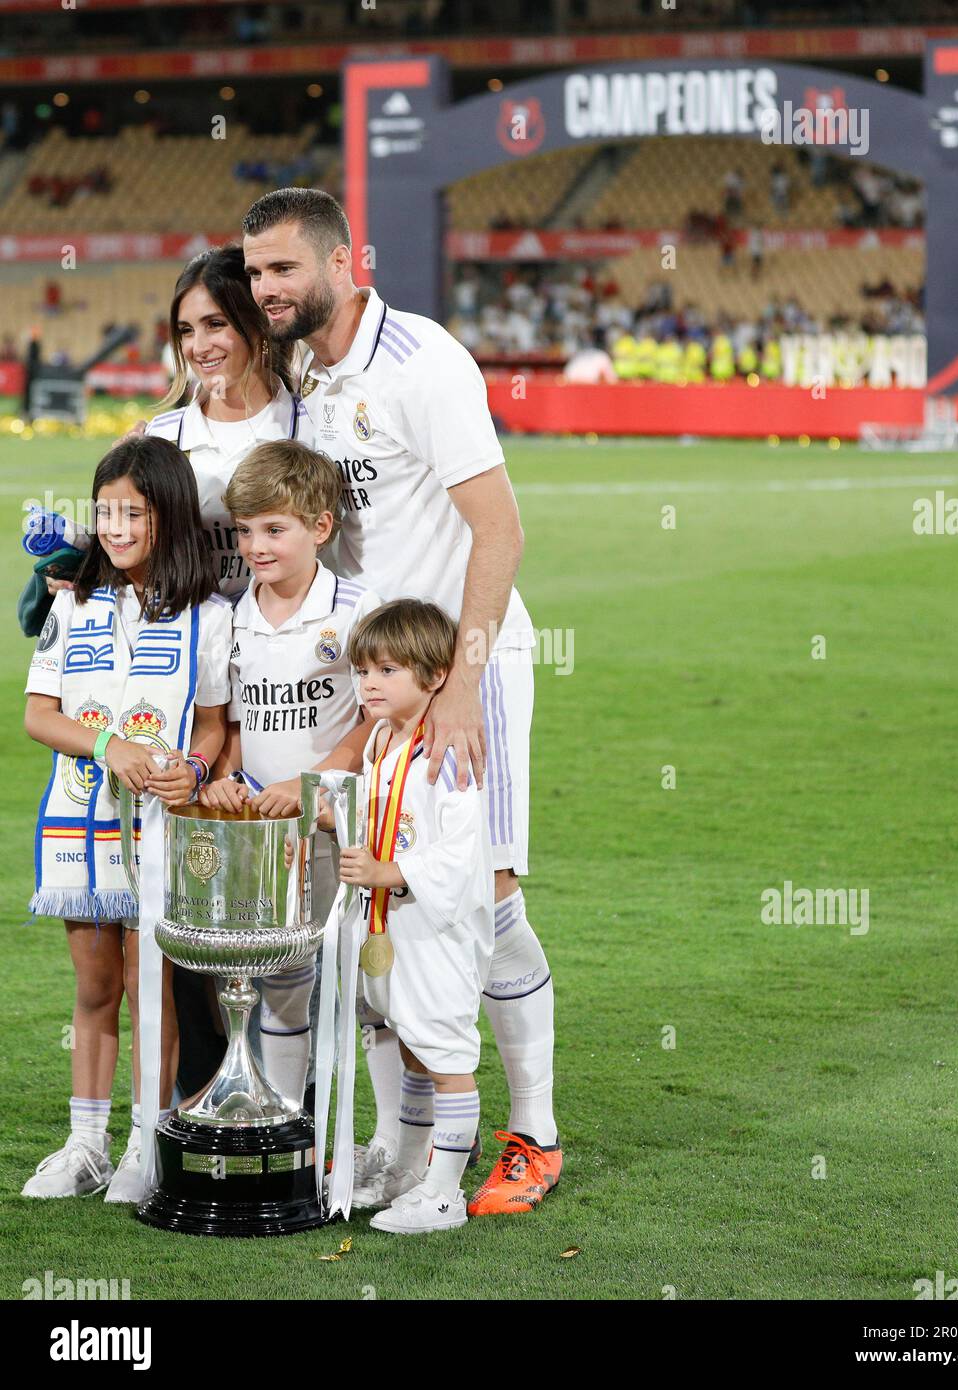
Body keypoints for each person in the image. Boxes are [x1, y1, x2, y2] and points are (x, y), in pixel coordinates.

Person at [242, 187, 562, 1215]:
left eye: (284, 269)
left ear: (343, 261)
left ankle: (534, 1136)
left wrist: (461, 686)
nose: (267, 289)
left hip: (463, 676)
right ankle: (406, 1140)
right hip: (381, 684)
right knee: (383, 901)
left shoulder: (421, 362)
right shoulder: (304, 376)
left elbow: (499, 528)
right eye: (254, 273)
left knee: (489, 901)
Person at [21, 436, 231, 1201]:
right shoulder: (71, 601)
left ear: (168, 518)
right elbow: (39, 717)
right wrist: (110, 745)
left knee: (152, 986)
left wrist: (197, 768)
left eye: (132, 514)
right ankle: (85, 1145)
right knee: (94, 986)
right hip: (77, 824)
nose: (113, 527)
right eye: (104, 510)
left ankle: (148, 1141)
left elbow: (214, 722)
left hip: (160, 829)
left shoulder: (208, 616)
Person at [199, 441, 379, 1106]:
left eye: (275, 529)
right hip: (267, 831)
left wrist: (315, 788)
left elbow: (375, 720)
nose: (256, 547)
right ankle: (286, 1123)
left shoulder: (356, 607)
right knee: (277, 976)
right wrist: (224, 778)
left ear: (321, 528)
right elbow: (239, 727)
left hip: (336, 824)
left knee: (361, 982)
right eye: (245, 531)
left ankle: (380, 1142)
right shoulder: (230, 619)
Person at [340, 599, 494, 1233]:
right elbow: (386, 816)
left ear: (435, 677)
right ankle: (409, 1169)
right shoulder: (381, 739)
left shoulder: (447, 750)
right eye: (364, 671)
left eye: (388, 671)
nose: (370, 684)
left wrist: (391, 872)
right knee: (407, 1044)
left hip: (437, 931)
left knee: (447, 1057)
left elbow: (463, 852)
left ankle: (445, 1193)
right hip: (391, 927)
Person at [147, 243, 305, 598]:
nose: (198, 347)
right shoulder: (160, 440)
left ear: (257, 325)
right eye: (186, 330)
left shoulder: (314, 429)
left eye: (215, 324)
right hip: (191, 645)